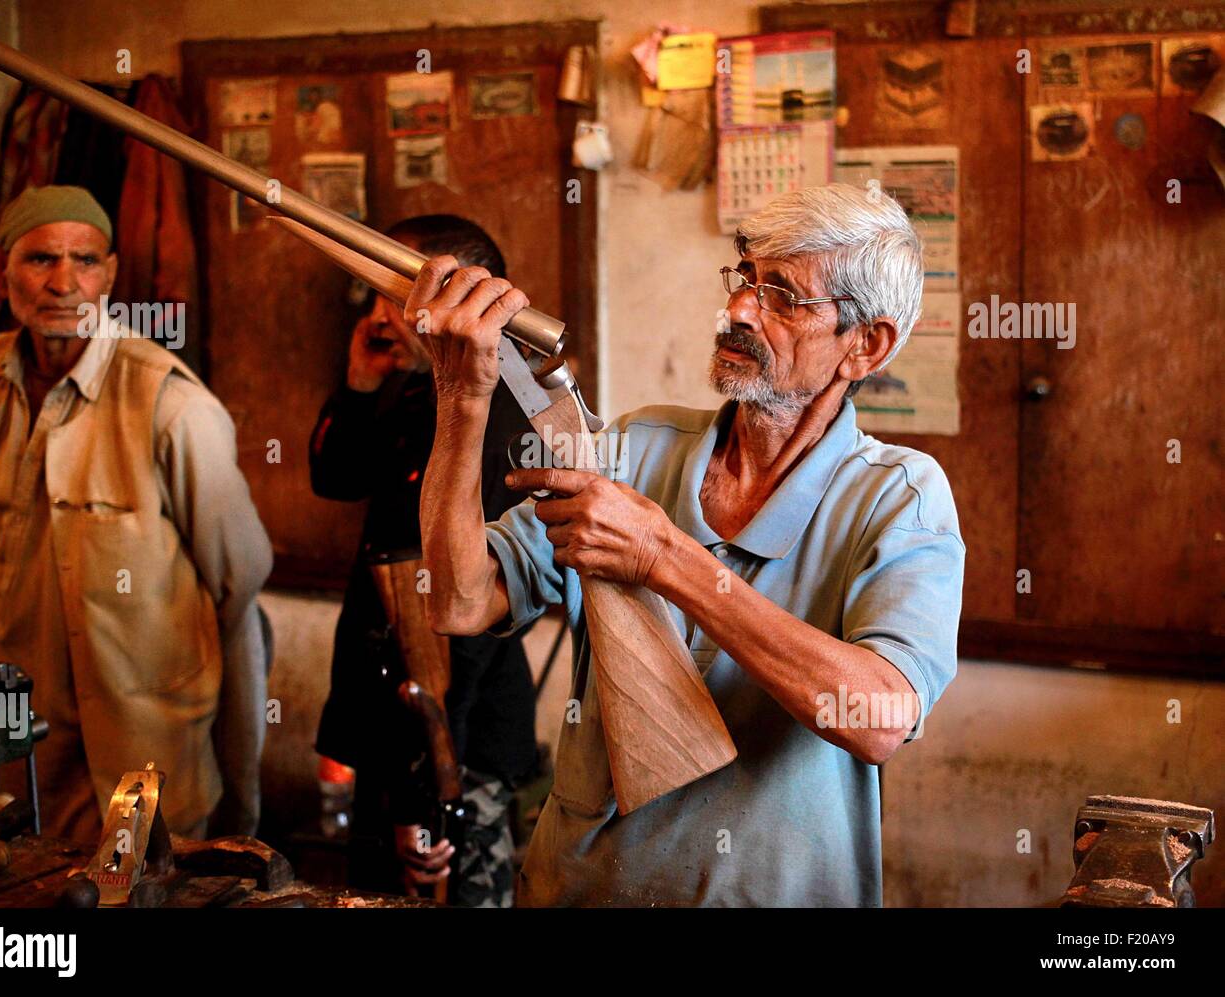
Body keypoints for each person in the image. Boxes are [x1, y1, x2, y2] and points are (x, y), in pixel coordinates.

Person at [410, 183, 965, 906]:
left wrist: (665, 556)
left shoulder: (900, 497)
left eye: (783, 297)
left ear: (866, 345)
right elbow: (457, 600)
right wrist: (462, 398)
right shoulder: (638, 446)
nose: (737, 310)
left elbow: (880, 717)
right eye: (744, 280)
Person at [0, 185, 272, 844]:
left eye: (86, 260)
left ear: (112, 273)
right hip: (30, 738)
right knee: (38, 900)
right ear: (1, 270)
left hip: (144, 743)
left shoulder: (169, 404)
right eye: (41, 259)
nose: (64, 282)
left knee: (143, 885)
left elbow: (238, 579)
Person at [309, 215, 537, 907]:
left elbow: (459, 637)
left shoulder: (499, 416)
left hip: (454, 747)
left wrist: (427, 800)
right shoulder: (419, 389)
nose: (384, 315)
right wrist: (356, 382)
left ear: (468, 299)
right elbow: (334, 476)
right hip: (394, 721)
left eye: (401, 295)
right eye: (377, 293)